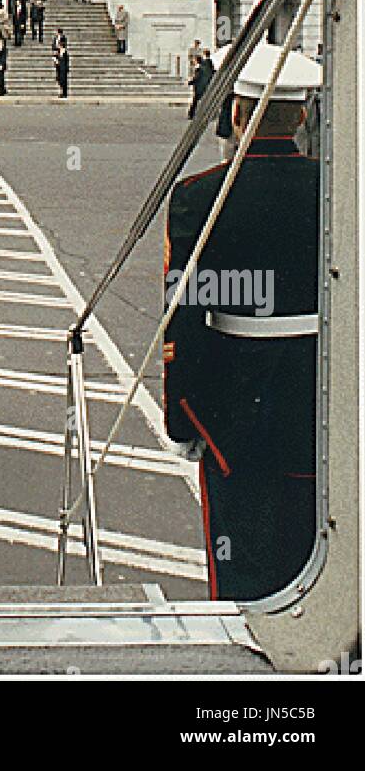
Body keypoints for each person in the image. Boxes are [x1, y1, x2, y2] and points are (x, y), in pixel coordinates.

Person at [163, 44, 321, 602]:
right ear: (301, 115)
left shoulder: (198, 196)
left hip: (237, 400)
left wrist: (184, 416)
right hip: (323, 388)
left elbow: (184, 316)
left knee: (245, 548)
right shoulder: (337, 189)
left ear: (234, 111)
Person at [188, 49, 215, 119]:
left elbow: (197, 77)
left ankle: (191, 114)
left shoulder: (201, 66)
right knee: (206, 101)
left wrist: (190, 82)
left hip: (200, 86)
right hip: (207, 85)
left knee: (195, 101)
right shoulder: (210, 64)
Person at [54, 33, 69, 98]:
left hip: (63, 68)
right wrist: (56, 61)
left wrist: (67, 68)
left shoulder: (65, 51)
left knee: (64, 81)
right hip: (59, 68)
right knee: (60, 81)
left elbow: (67, 60)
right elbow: (55, 58)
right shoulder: (58, 52)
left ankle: (64, 93)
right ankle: (61, 93)